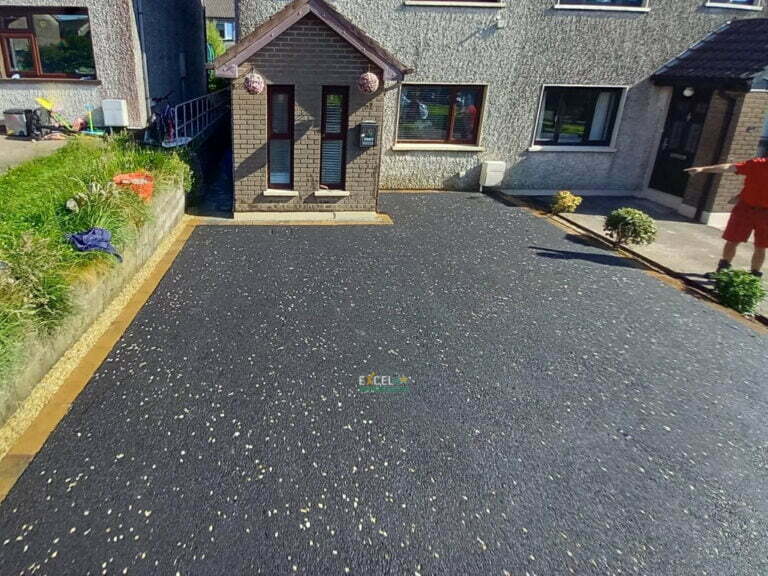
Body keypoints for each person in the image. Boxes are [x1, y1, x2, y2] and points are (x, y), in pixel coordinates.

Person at [685, 157, 768, 278]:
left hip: (766, 214)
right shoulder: (757, 164)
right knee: (732, 240)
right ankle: (722, 271)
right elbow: (729, 167)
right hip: (745, 209)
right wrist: (702, 169)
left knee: (761, 246)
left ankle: (753, 278)